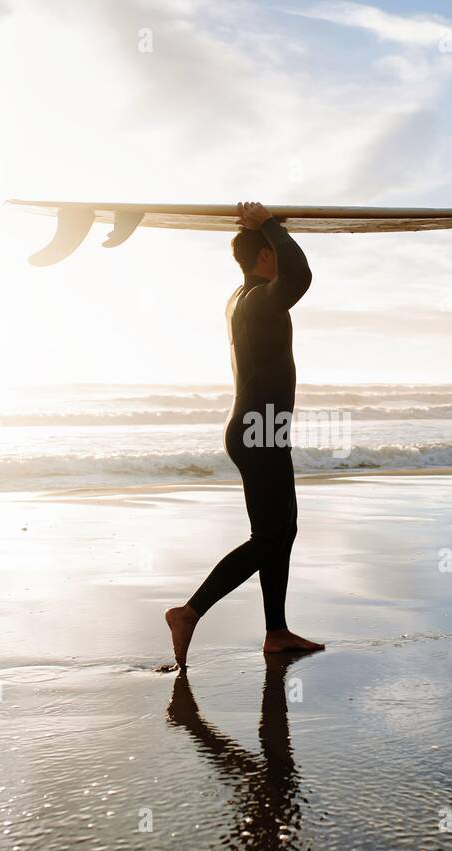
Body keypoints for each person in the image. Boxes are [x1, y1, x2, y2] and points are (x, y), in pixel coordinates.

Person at [164, 201, 325, 668]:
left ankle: (276, 630)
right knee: (269, 536)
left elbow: (292, 274)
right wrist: (270, 226)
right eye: (277, 247)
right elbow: (301, 278)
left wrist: (268, 230)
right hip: (258, 429)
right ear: (267, 255)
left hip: (261, 427)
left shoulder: (244, 296)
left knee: (281, 530)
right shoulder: (258, 298)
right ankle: (189, 612)